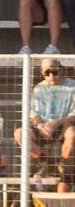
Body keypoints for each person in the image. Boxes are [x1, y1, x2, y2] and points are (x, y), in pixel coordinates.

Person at [15, 56, 75, 190]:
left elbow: (73, 114)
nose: (52, 76)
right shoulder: (38, 88)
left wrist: (55, 123)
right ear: (42, 73)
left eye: (55, 72)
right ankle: (46, 162)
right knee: (19, 134)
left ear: (61, 70)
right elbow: (34, 113)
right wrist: (39, 124)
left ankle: (63, 164)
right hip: (44, 127)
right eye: (48, 73)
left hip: (63, 124)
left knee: (72, 133)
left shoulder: (72, 86)